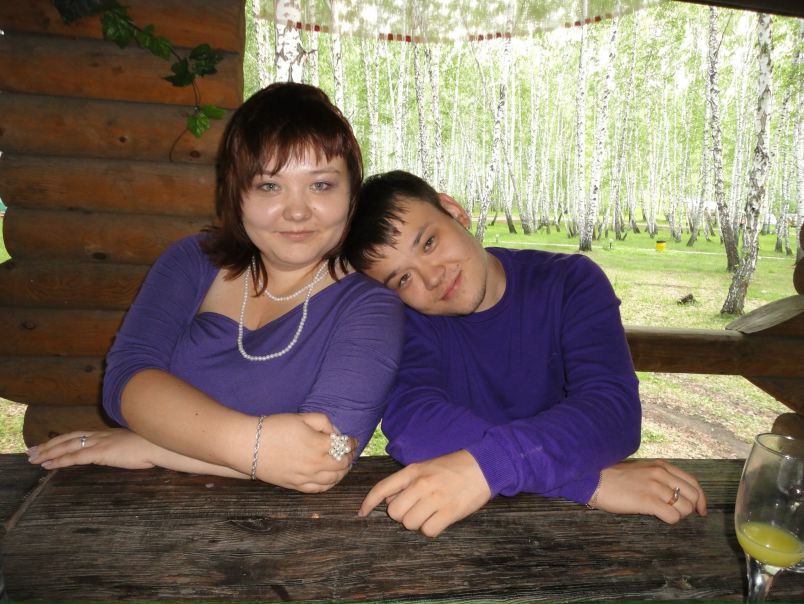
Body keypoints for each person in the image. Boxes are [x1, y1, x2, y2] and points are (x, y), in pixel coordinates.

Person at [27, 83, 404, 493]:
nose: (297, 212)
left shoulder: (371, 307)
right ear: (235, 192)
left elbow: (324, 459)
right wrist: (256, 447)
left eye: (321, 185)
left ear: (351, 195)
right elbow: (127, 378)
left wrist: (153, 447)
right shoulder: (192, 260)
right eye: (269, 185)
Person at [341, 170, 707, 536]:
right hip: (471, 536)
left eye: (429, 243)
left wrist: (486, 466)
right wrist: (588, 483)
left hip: (578, 535)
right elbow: (414, 424)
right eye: (403, 279)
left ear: (453, 211)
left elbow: (613, 413)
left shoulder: (571, 283)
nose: (432, 277)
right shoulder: (411, 322)